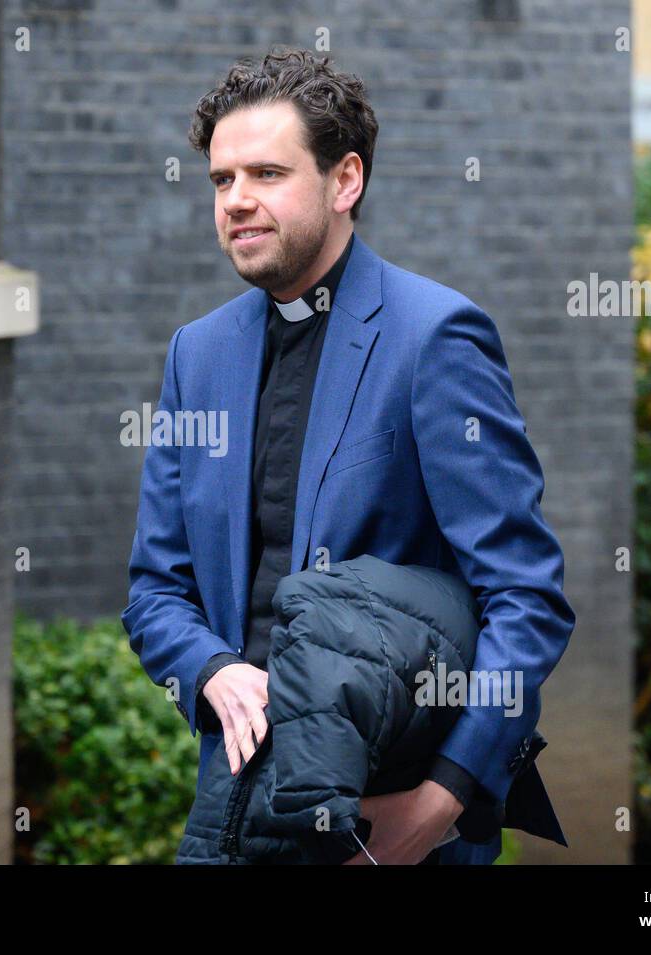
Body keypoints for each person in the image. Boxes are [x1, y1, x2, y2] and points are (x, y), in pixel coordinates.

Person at [122, 46, 575, 865]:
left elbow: (526, 596)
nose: (237, 201)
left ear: (345, 181)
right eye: (222, 180)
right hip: (231, 806)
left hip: (393, 818)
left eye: (266, 173)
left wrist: (440, 801)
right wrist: (213, 670)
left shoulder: (436, 338)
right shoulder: (198, 353)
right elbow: (156, 589)